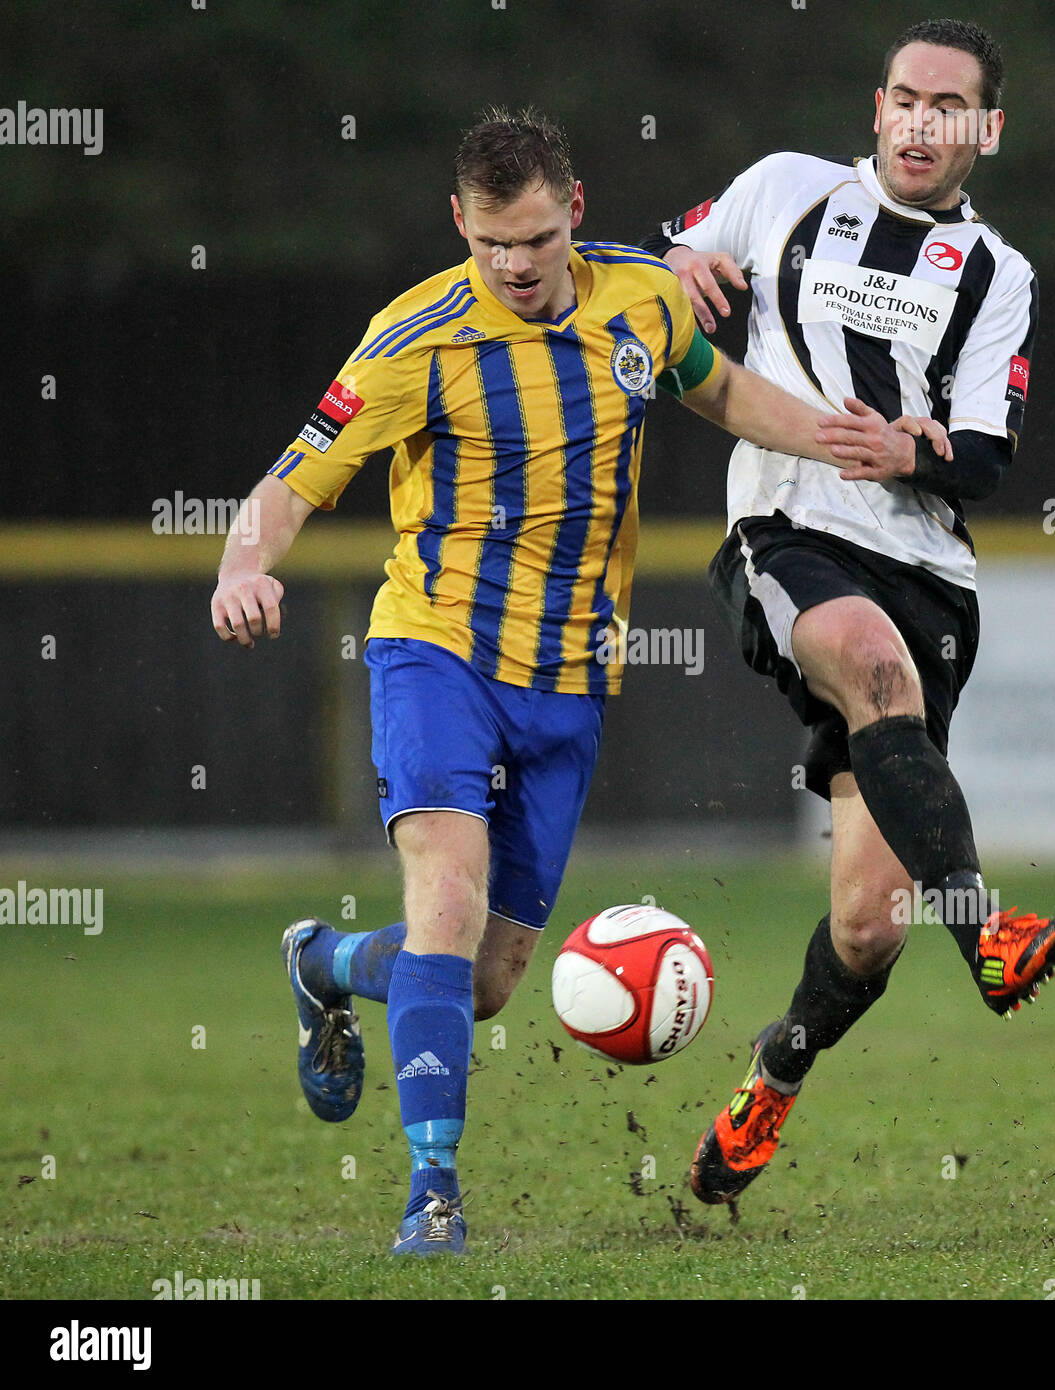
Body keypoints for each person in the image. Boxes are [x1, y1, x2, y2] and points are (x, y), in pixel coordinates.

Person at [209, 107, 951, 1255]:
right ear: (459, 221)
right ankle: (433, 1194)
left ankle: (321, 960)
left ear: (578, 213)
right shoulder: (413, 338)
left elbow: (717, 390)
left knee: (488, 979)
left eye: (539, 239)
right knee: (445, 905)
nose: (515, 265)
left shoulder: (643, 297)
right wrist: (244, 565)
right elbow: (295, 478)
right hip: (435, 648)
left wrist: (831, 437)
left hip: (566, 682)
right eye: (492, 241)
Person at [639, 18, 1055, 1208]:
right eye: (906, 98)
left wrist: (913, 450)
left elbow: (987, 457)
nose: (923, 122)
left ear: (985, 129)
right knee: (865, 659)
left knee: (866, 924)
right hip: (787, 531)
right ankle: (987, 929)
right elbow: (643, 269)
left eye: (951, 106)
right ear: (877, 108)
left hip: (930, 574)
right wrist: (672, 267)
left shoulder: (999, 274)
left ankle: (773, 1076)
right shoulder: (783, 189)